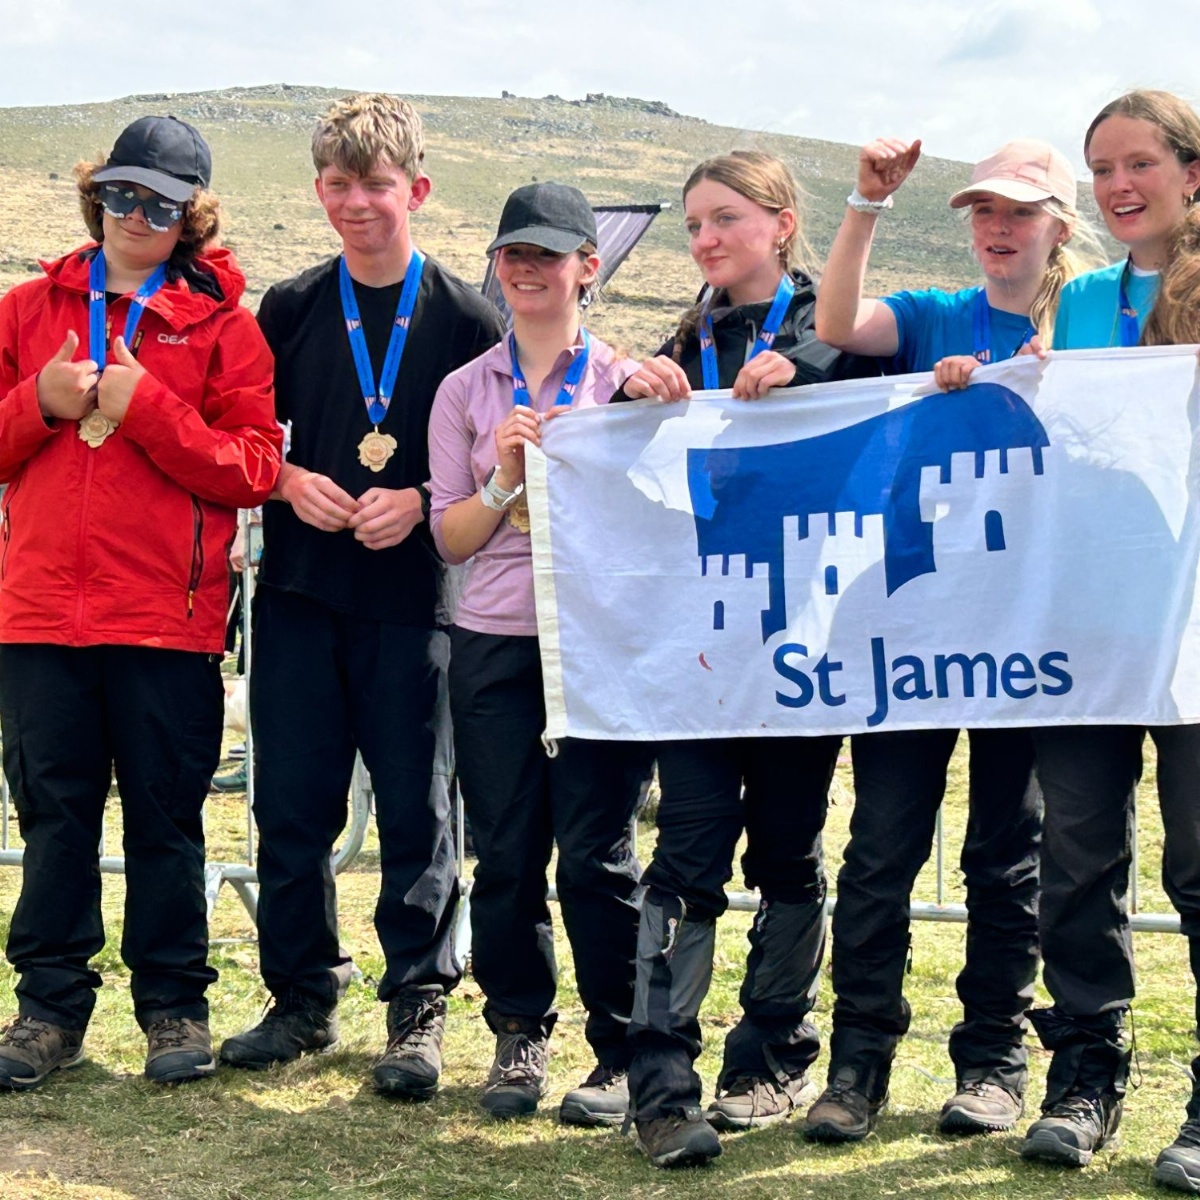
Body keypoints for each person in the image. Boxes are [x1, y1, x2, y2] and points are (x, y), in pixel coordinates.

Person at [218, 94, 504, 1097]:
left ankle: (416, 1009)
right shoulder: (290, 307)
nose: (356, 202)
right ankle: (300, 999)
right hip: (299, 589)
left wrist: (423, 498)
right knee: (292, 806)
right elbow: (256, 442)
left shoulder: (470, 316)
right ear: (318, 191)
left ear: (415, 190)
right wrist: (288, 482)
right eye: (338, 185)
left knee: (420, 815)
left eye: (376, 184)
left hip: (416, 600)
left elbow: (492, 459)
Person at [808, 137, 1093, 1141]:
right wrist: (864, 204)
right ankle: (858, 1066)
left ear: (1060, 220)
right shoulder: (934, 315)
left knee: (1005, 856)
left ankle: (993, 1064)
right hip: (911, 627)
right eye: (982, 211)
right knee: (881, 850)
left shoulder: (1092, 318)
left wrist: (1064, 385)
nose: (997, 229)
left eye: (1018, 212)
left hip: (1026, 632)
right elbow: (836, 323)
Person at [0, 115, 281, 1088]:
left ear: (190, 215)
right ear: (98, 195)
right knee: (54, 820)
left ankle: (173, 1011)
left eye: (160, 203)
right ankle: (47, 1012)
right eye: (122, 194)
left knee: (166, 822)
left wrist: (147, 409)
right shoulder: (26, 309)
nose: (136, 216)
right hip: (39, 615)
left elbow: (253, 467)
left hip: (168, 618)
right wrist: (37, 402)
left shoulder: (225, 329)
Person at [616, 150, 879, 1167]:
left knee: (785, 853)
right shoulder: (692, 334)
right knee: (684, 856)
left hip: (803, 649)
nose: (708, 240)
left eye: (726, 219)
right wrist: (636, 394)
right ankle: (661, 1083)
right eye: (693, 226)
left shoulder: (844, 329)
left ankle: (769, 1058)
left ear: (780, 222)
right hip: (699, 656)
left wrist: (810, 373)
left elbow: (894, 437)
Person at [428, 182, 652, 1124]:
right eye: (513, 252)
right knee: (507, 853)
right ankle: (520, 1030)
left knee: (596, 857)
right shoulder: (464, 390)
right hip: (492, 642)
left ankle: (623, 1048)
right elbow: (450, 537)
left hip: (597, 645)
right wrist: (506, 477)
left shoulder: (627, 385)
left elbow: (655, 523)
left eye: (548, 254)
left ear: (586, 267)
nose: (527, 269)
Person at [1015, 90, 1200, 1184]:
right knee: (1078, 859)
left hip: (1193, 627)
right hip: (1086, 622)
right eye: (1101, 168)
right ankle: (1087, 1071)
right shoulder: (1080, 296)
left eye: (1140, 164)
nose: (1118, 185)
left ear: (1191, 173)